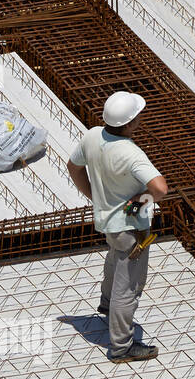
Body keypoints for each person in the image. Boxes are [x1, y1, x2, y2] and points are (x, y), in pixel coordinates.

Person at [67, 90, 169, 363]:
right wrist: (138, 203)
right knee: (129, 286)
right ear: (130, 123)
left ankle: (107, 304)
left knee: (114, 262)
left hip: (108, 223)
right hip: (129, 228)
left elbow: (74, 167)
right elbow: (160, 188)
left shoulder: (92, 136)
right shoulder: (130, 153)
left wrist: (93, 195)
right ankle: (121, 347)